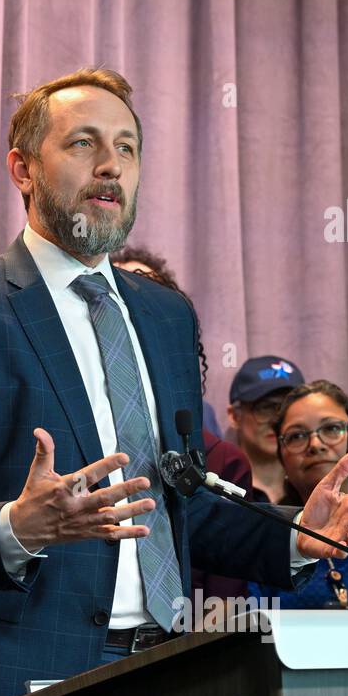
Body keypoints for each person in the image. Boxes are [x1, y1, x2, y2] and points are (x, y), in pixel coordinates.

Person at [0, 67, 348, 696]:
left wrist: (296, 535)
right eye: (84, 143)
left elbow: (181, 506)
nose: (109, 165)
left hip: (165, 695)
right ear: (21, 169)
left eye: (126, 147)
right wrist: (20, 527)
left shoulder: (164, 316)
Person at [111, 247, 253, 601]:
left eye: (145, 287)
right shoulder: (81, 432)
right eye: (118, 288)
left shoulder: (222, 459)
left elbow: (226, 566)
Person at [249, 381, 348, 609]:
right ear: (282, 458)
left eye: (331, 429)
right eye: (297, 436)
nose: (315, 445)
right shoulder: (266, 540)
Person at [227, 355, 305, 503]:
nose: (277, 420)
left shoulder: (312, 489)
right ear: (234, 416)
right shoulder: (219, 492)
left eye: (287, 408)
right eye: (265, 408)